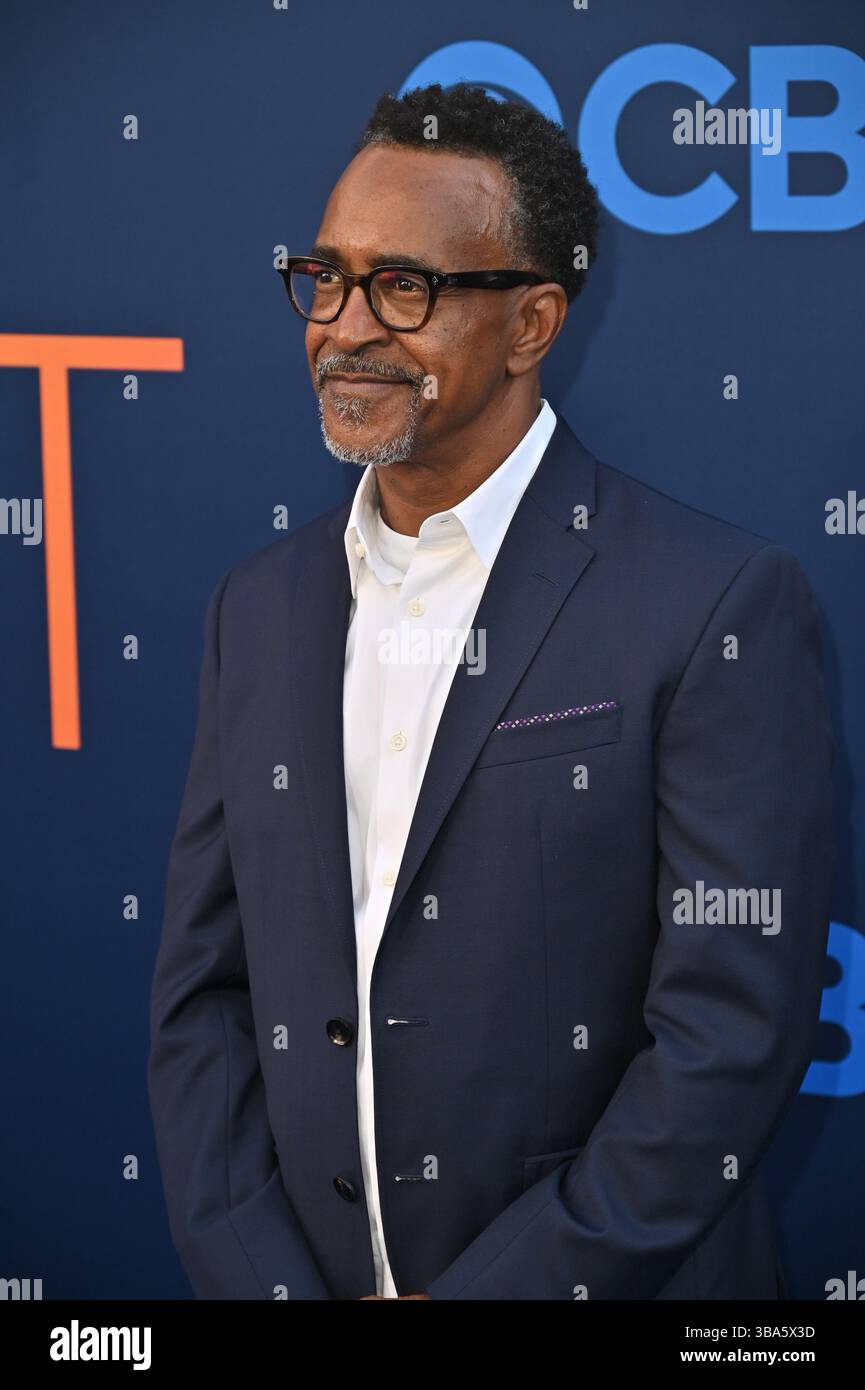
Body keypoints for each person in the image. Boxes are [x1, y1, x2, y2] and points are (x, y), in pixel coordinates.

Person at [148, 84, 836, 1300]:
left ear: (531, 322)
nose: (344, 327)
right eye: (326, 276)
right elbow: (205, 1000)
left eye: (403, 287)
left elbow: (726, 1040)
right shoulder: (251, 609)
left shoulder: (716, 601)